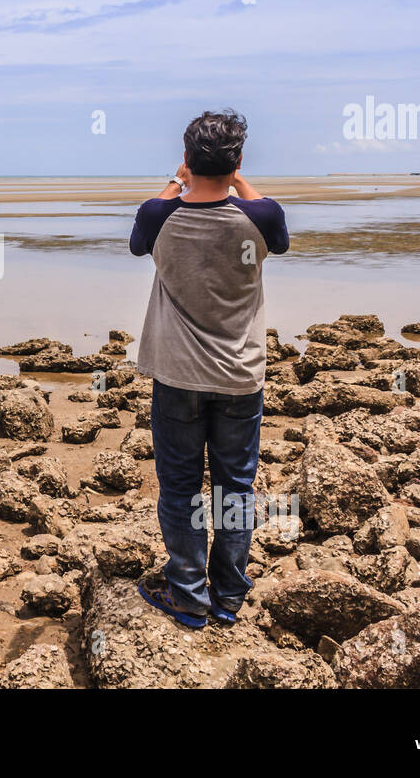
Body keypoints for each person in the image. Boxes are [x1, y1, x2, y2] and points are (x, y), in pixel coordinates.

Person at [128, 109, 289, 628]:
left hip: (178, 377)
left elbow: (140, 238)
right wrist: (236, 176)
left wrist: (178, 181)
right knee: (234, 489)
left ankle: (189, 594)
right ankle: (228, 596)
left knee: (180, 489)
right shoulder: (260, 218)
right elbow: (270, 223)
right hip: (241, 378)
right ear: (238, 160)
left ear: (188, 160)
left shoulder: (160, 215)